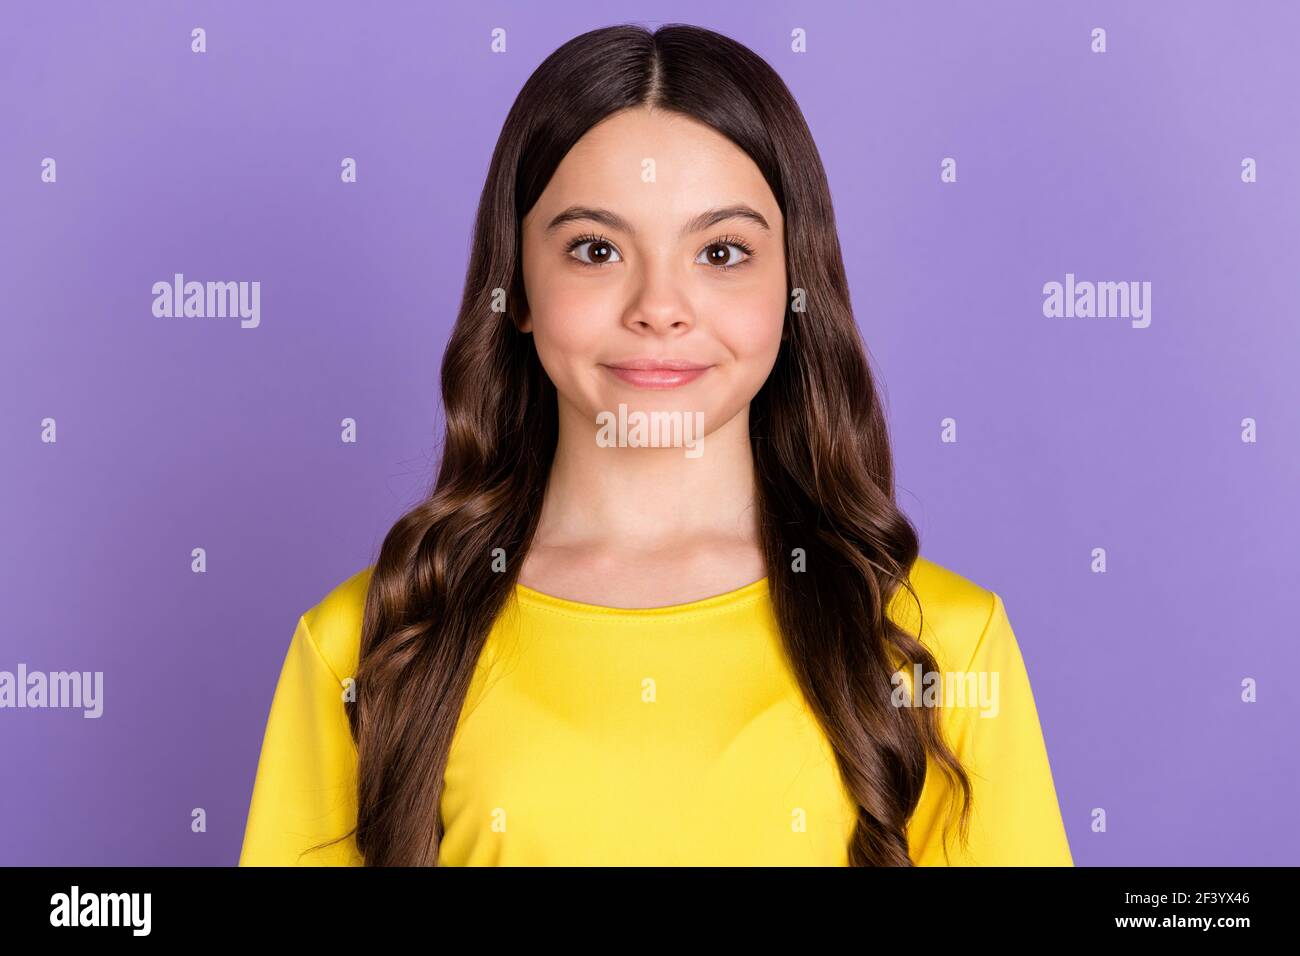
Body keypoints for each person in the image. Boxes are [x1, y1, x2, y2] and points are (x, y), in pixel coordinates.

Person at [238, 22, 1072, 867]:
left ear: (794, 286)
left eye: (721, 251)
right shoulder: (367, 643)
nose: (659, 306)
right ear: (517, 286)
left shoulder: (944, 645)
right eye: (596, 249)